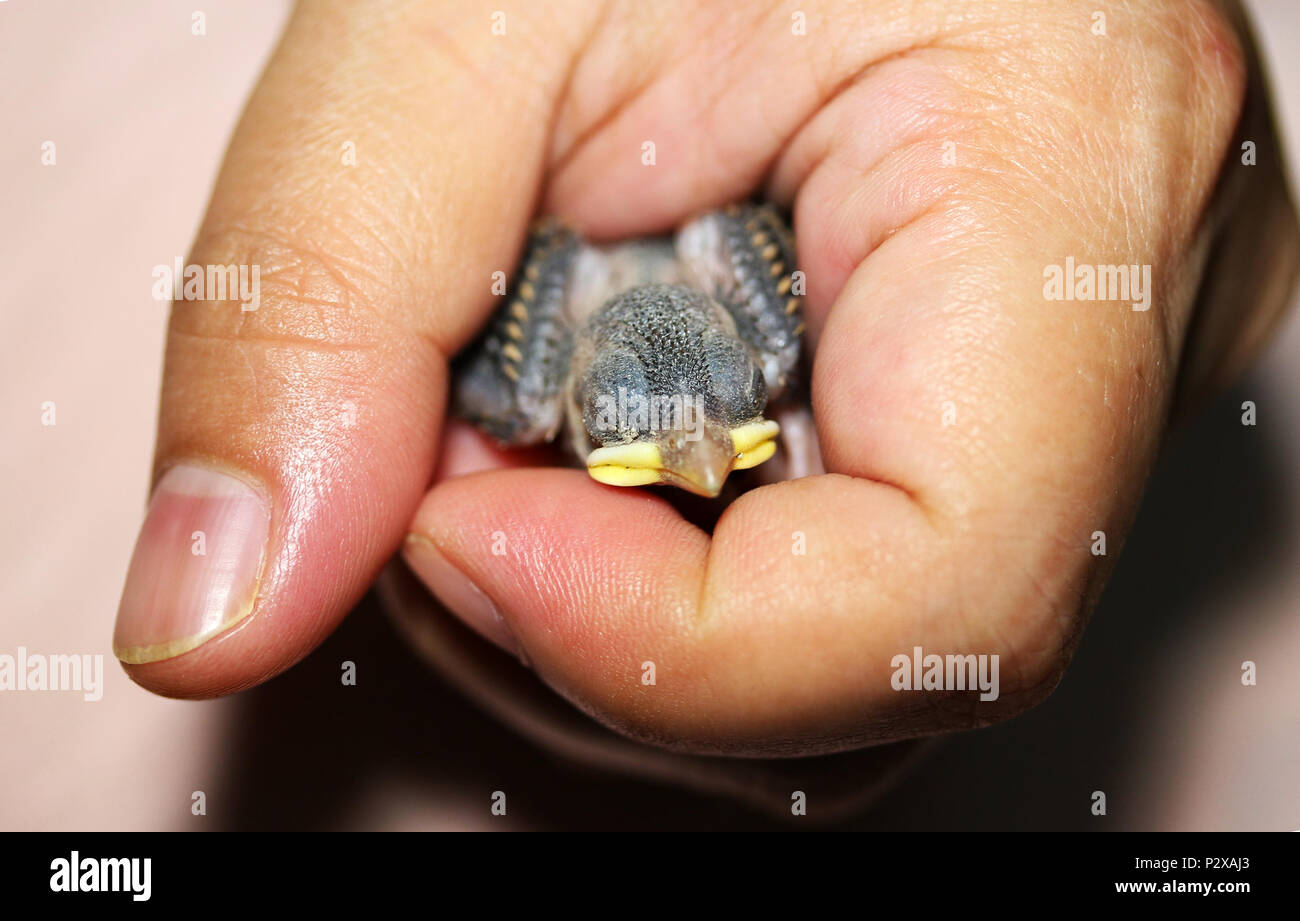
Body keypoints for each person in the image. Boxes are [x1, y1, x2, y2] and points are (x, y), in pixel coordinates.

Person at [113, 0, 1298, 771]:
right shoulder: (565, 385)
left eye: (708, 428)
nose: (698, 448)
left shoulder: (751, 370)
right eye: (671, 429)